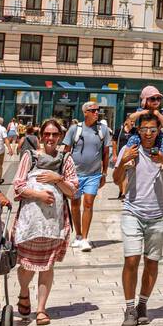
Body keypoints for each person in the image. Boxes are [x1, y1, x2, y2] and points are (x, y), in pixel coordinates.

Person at [114, 111, 163, 326]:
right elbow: (116, 179)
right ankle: (129, 308)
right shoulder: (130, 150)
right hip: (132, 212)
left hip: (157, 214)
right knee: (131, 260)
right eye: (144, 129)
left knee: (152, 262)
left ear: (159, 131)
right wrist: (123, 163)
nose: (148, 133)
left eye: (152, 130)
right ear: (138, 130)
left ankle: (142, 305)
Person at [11, 119, 78, 326]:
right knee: (26, 266)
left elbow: (73, 190)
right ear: (41, 136)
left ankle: (41, 309)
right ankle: (24, 292)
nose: (50, 138)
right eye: (47, 134)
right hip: (30, 223)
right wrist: (38, 195)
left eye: (54, 135)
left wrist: (57, 179)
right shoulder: (29, 156)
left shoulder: (66, 159)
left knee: (47, 265)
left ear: (60, 136)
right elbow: (18, 186)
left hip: (54, 223)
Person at [63, 100, 113, 252]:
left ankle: (85, 238)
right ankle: (77, 235)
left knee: (89, 203)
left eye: (98, 110)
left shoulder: (103, 129)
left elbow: (106, 153)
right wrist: (64, 174)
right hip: (75, 174)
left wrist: (104, 173)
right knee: (75, 205)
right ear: (85, 112)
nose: (96, 112)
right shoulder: (74, 129)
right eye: (93, 110)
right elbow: (66, 151)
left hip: (94, 174)